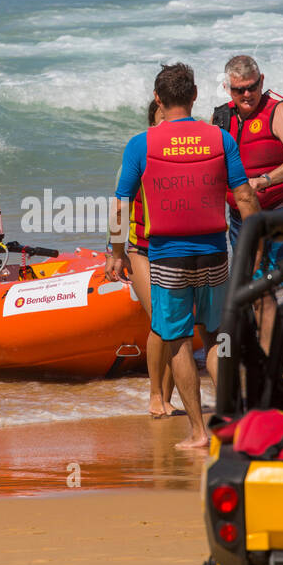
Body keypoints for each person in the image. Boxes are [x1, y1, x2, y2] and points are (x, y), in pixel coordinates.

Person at [106, 63, 260, 449]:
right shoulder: (221, 138)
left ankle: (198, 432)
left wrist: (117, 251)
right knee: (215, 339)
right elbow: (244, 197)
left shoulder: (140, 144)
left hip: (167, 260)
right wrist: (255, 247)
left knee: (176, 340)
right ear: (194, 96)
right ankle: (233, 421)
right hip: (214, 256)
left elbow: (121, 203)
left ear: (158, 99)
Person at [212, 55, 283, 347]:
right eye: (238, 89)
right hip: (240, 218)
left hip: (281, 211)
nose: (247, 94)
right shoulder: (221, 117)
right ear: (227, 88)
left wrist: (265, 180)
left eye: (252, 86)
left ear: (262, 81)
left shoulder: (278, 110)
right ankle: (267, 354)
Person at [122, 97, 178, 418]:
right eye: (160, 118)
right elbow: (121, 205)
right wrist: (113, 253)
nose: (165, 125)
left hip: (174, 249)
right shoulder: (138, 150)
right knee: (161, 319)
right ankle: (155, 395)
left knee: (174, 322)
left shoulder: (181, 154)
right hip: (140, 248)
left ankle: (168, 397)